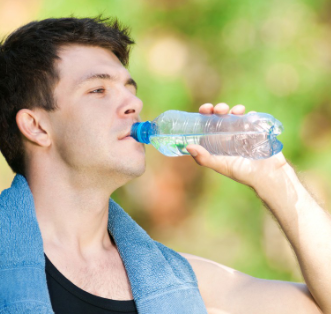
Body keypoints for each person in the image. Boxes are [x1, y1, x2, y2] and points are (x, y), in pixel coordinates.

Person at [0, 16, 330, 314]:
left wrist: (273, 177)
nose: (134, 103)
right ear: (36, 126)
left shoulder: (184, 282)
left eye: (130, 89)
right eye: (98, 89)